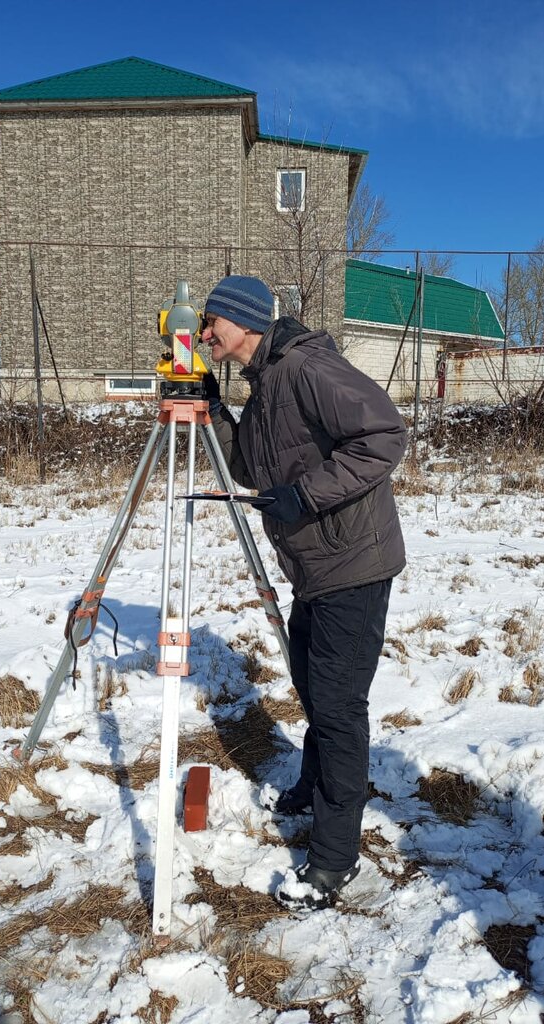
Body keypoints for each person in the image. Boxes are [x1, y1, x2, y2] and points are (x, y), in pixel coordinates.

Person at [200, 275, 406, 912]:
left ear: (245, 321)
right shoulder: (263, 385)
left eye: (213, 323)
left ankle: (334, 858)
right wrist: (213, 409)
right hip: (315, 565)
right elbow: (247, 471)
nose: (205, 334)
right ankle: (314, 785)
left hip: (354, 560)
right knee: (313, 685)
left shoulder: (307, 367)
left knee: (339, 706)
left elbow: (384, 434)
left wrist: (307, 495)